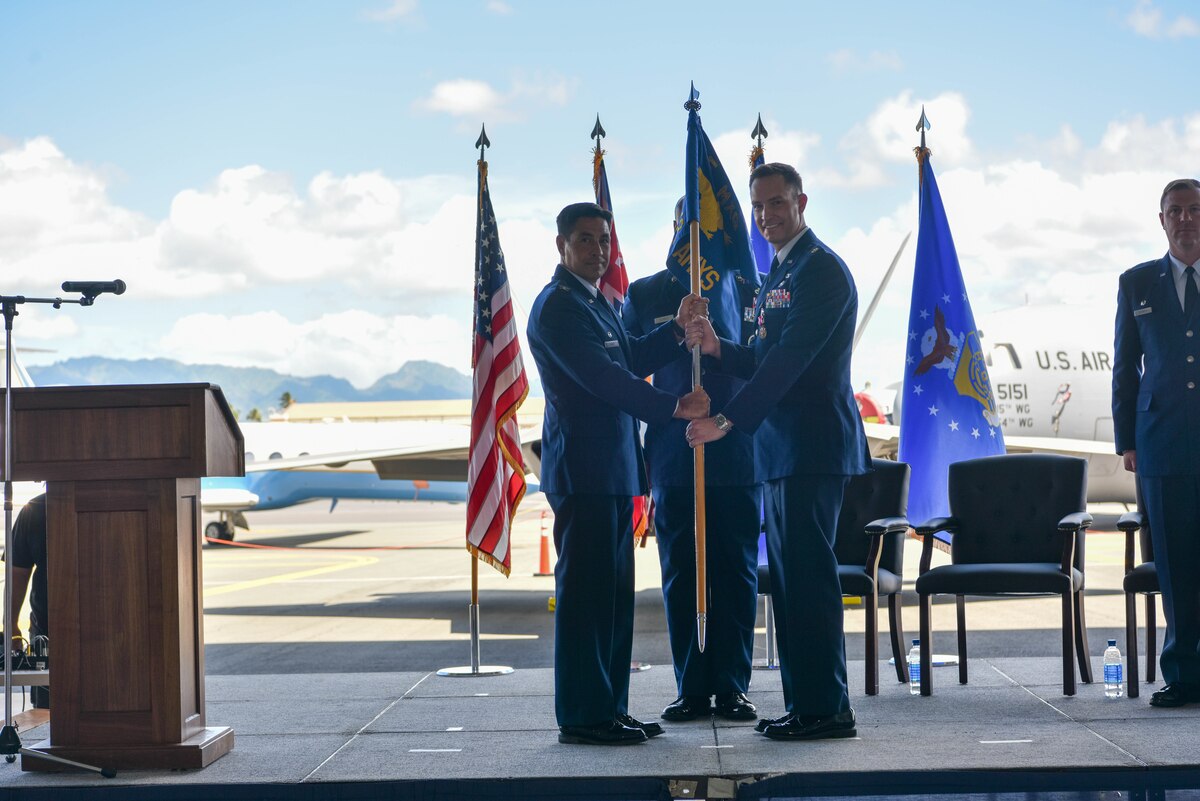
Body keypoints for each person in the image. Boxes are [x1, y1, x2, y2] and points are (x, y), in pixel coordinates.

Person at [685, 163, 869, 740]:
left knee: (810, 582)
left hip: (811, 447)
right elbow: (766, 357)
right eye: (758, 207)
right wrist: (719, 350)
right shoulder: (781, 271)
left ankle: (827, 708)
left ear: (801, 201)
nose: (766, 216)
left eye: (776, 204)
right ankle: (806, 703)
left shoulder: (822, 271)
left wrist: (727, 419)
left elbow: (791, 363)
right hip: (782, 450)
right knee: (790, 585)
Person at [526, 201, 710, 745]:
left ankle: (610, 708)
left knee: (612, 599)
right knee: (586, 600)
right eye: (585, 240)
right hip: (583, 472)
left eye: (604, 240)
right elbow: (604, 378)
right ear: (561, 244)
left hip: (610, 470)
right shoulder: (558, 307)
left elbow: (627, 356)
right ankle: (584, 717)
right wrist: (676, 407)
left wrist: (676, 330)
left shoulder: (595, 303)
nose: (598, 250)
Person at [621, 198, 761, 723]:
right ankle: (691, 689)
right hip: (676, 455)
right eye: (688, 222)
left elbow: (761, 366)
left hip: (737, 450)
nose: (695, 233)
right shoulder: (647, 293)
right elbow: (631, 363)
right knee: (681, 573)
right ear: (675, 226)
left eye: (708, 224)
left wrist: (723, 413)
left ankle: (732, 687)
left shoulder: (749, 287)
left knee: (735, 572)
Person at [1113, 177, 1200, 708]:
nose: (1186, 219)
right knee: (1173, 561)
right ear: (1162, 220)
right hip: (1160, 443)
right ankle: (1183, 675)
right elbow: (1125, 367)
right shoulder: (1136, 282)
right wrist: (1128, 440)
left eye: (1195, 210)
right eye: (1176, 211)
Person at [4, 493, 49, 708]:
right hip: (46, 632)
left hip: (47, 626)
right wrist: (11, 627)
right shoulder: (34, 509)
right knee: (47, 710)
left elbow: (17, 576)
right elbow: (16, 575)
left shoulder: (35, 508)